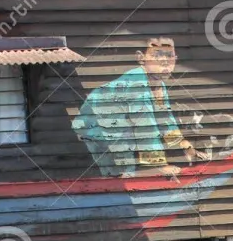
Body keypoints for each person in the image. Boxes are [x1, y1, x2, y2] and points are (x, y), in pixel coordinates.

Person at [72, 37, 208, 179]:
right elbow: (145, 127)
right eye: (157, 55)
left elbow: (165, 120)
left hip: (113, 126)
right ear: (141, 58)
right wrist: (160, 166)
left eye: (169, 56)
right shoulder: (136, 83)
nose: (165, 61)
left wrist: (186, 147)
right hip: (97, 125)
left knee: (122, 166)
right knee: (123, 167)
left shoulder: (158, 85)